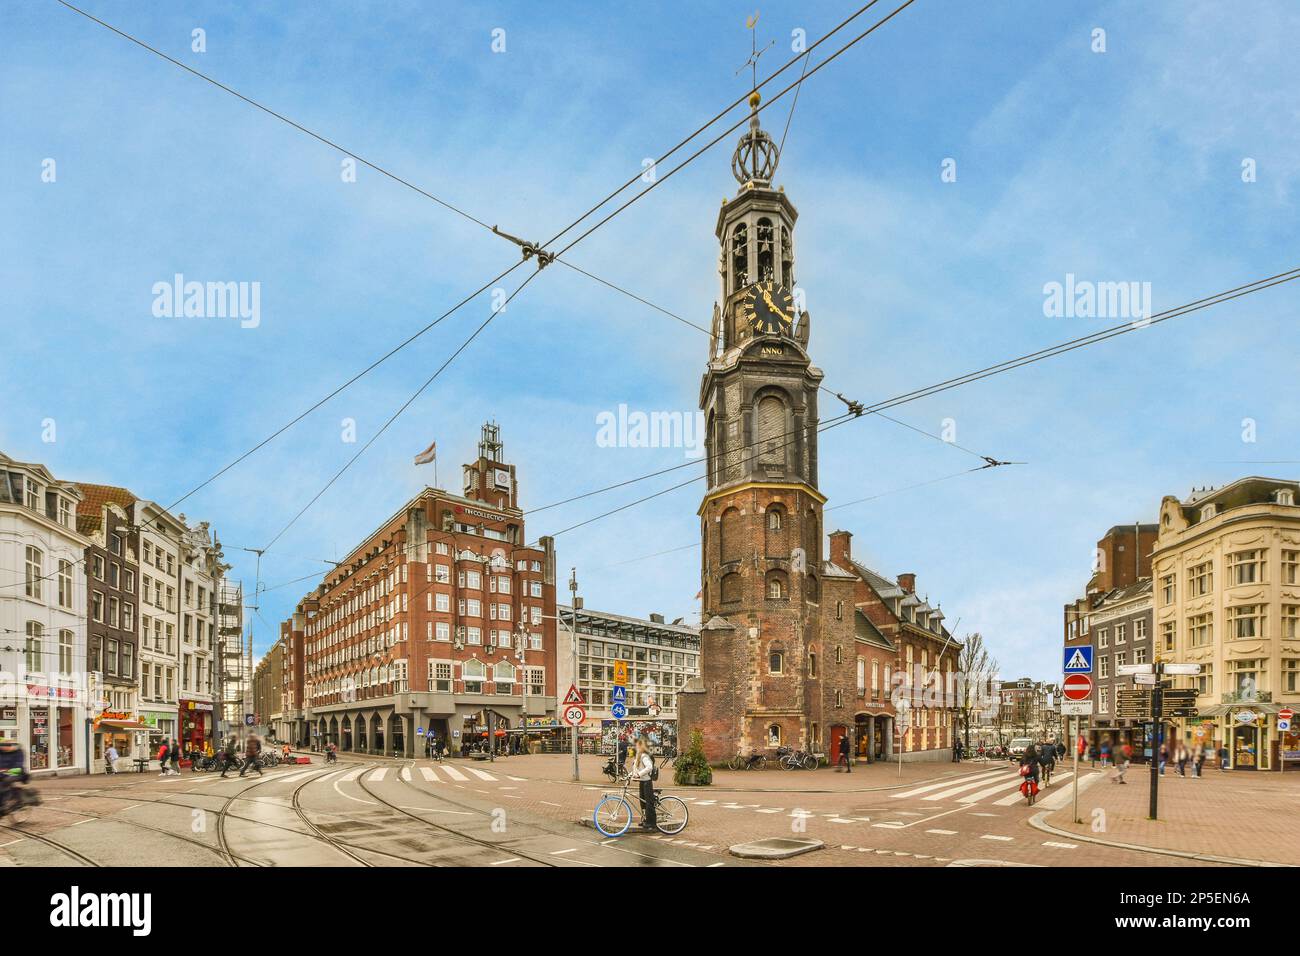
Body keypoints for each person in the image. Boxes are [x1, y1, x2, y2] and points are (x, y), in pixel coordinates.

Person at [629, 738, 657, 831]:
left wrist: (639, 774)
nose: (635, 747)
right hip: (642, 781)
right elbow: (636, 768)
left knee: (649, 803)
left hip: (647, 782)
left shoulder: (644, 756)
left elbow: (649, 767)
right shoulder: (638, 756)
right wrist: (630, 775)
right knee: (643, 802)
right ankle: (645, 819)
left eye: (637, 745)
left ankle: (651, 823)